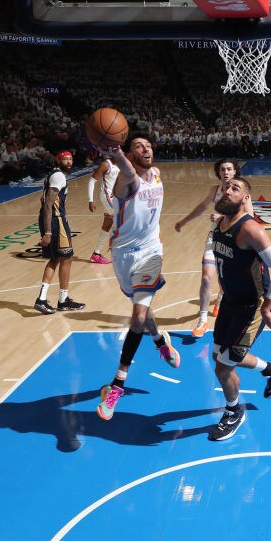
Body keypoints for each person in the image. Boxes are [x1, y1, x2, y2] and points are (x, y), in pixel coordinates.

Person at [95, 135, 181, 421]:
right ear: (130, 156)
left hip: (151, 252)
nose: (146, 149)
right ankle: (160, 341)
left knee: (139, 314)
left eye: (148, 145)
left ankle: (117, 384)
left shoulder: (156, 174)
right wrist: (117, 154)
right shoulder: (125, 180)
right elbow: (129, 173)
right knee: (141, 314)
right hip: (122, 255)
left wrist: (120, 153)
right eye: (138, 147)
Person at [207, 175, 271, 441]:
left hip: (250, 306)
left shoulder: (250, 229)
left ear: (246, 199)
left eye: (235, 188)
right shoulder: (220, 223)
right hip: (231, 302)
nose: (227, 190)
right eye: (225, 187)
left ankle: (234, 412)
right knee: (220, 357)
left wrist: (268, 307)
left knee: (223, 367)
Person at [173, 159, 248, 337]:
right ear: (219, 172)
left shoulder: (242, 192)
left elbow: (249, 216)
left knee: (226, 280)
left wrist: (222, 218)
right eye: (222, 169)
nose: (226, 172)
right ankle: (202, 320)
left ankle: (221, 297)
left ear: (235, 171)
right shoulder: (215, 190)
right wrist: (184, 221)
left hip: (234, 241)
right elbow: (202, 207)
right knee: (206, 279)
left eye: (229, 169)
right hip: (214, 238)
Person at [33, 151, 85, 315]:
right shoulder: (58, 177)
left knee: (56, 258)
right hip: (55, 220)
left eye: (70, 159)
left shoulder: (55, 175)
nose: (69, 162)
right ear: (58, 160)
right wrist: (48, 231)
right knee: (66, 257)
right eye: (65, 159)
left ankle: (50, 299)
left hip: (54, 219)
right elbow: (48, 204)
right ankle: (57, 300)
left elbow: (45, 203)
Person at [86, 155, 120, 264]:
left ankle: (96, 253)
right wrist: (90, 200)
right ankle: (119, 249)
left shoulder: (122, 164)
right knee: (123, 218)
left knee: (108, 223)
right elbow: (92, 180)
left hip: (117, 197)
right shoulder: (106, 164)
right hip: (108, 196)